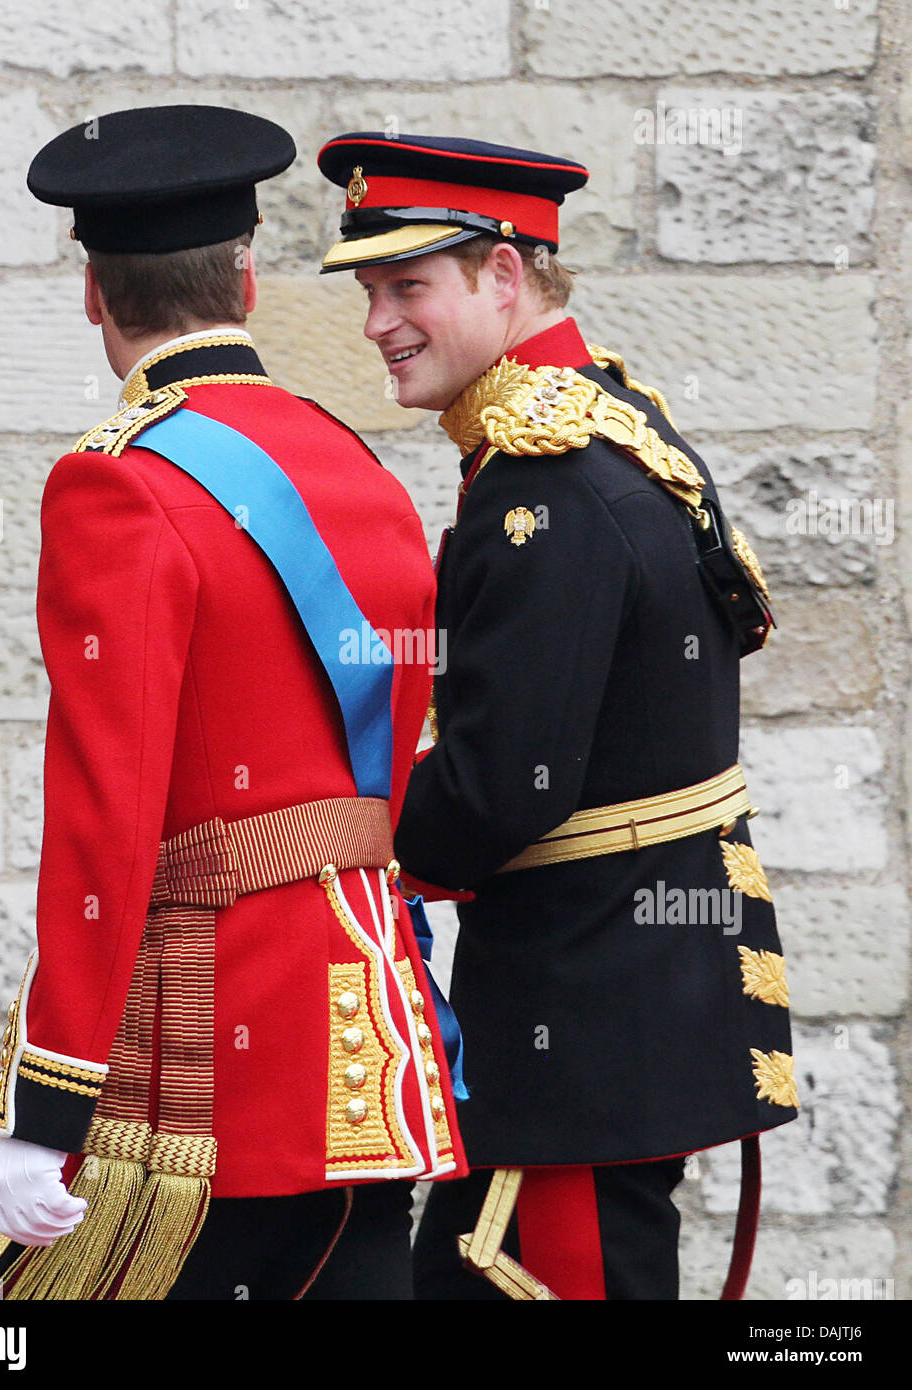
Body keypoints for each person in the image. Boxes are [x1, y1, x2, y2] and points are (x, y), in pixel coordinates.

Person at [0, 106, 467, 1304]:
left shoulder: (116, 484)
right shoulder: (351, 458)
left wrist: (51, 1101)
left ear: (95, 293)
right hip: (369, 1023)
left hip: (211, 1053)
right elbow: (404, 739)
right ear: (246, 275)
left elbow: (104, 811)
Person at [317, 131, 799, 1300]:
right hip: (629, 986)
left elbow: (504, 787)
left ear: (502, 276)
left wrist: (335, 835)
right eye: (372, 291)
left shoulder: (542, 479)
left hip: (581, 1014)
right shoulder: (605, 413)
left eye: (408, 287)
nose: (379, 322)